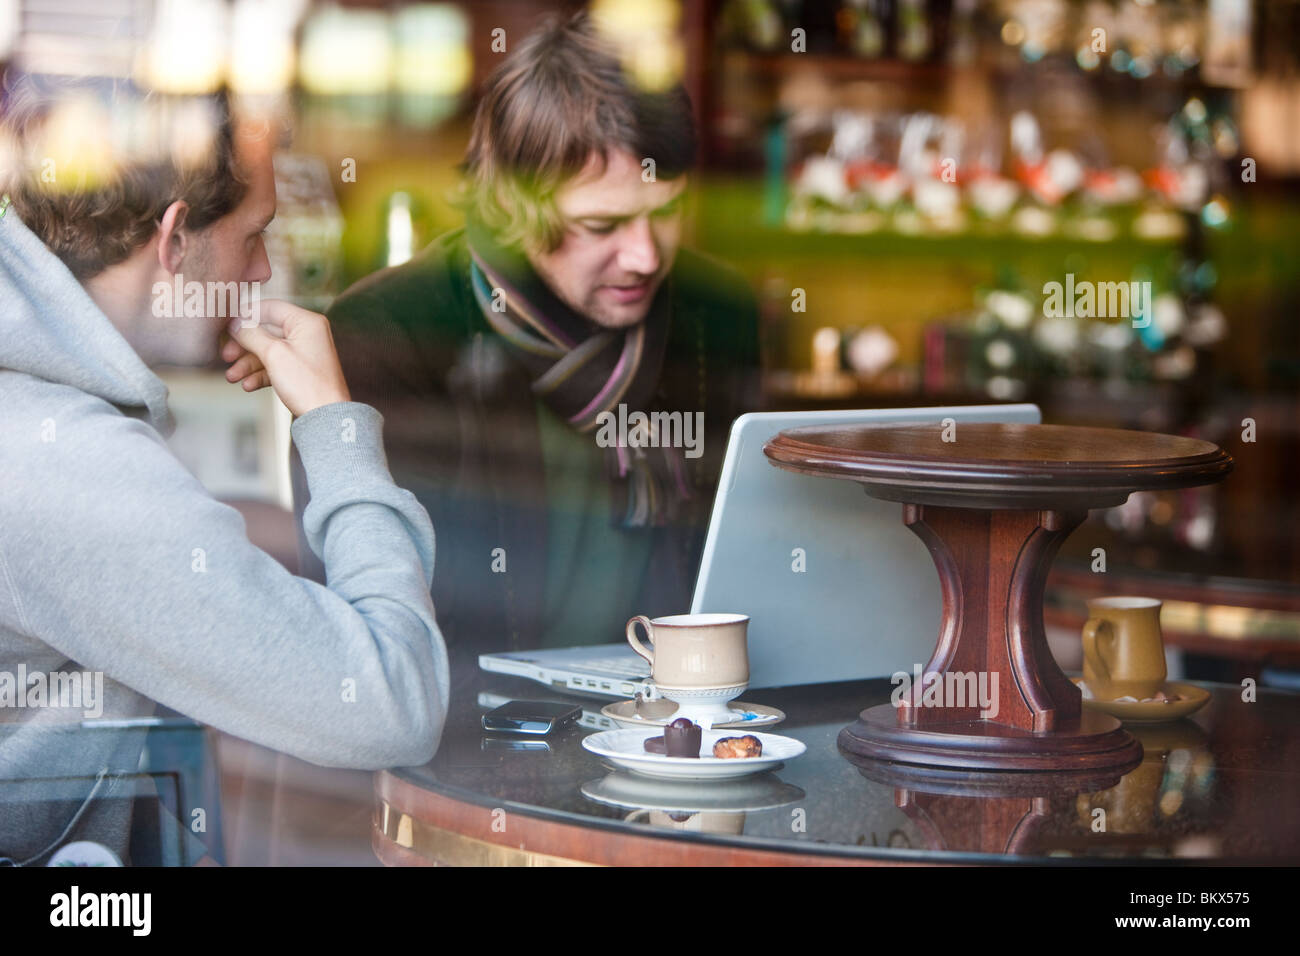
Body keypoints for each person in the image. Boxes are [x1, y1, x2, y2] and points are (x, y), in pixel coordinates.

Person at [0, 79, 449, 866]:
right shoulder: (72, 465)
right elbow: (392, 702)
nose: (266, 269)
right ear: (174, 244)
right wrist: (333, 426)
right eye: (256, 235)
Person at [291, 13, 762, 665]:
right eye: (603, 225)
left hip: (674, 725)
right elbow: (368, 620)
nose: (646, 257)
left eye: (668, 212)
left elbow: (751, 559)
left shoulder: (719, 314)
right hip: (473, 737)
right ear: (513, 206)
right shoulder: (386, 332)